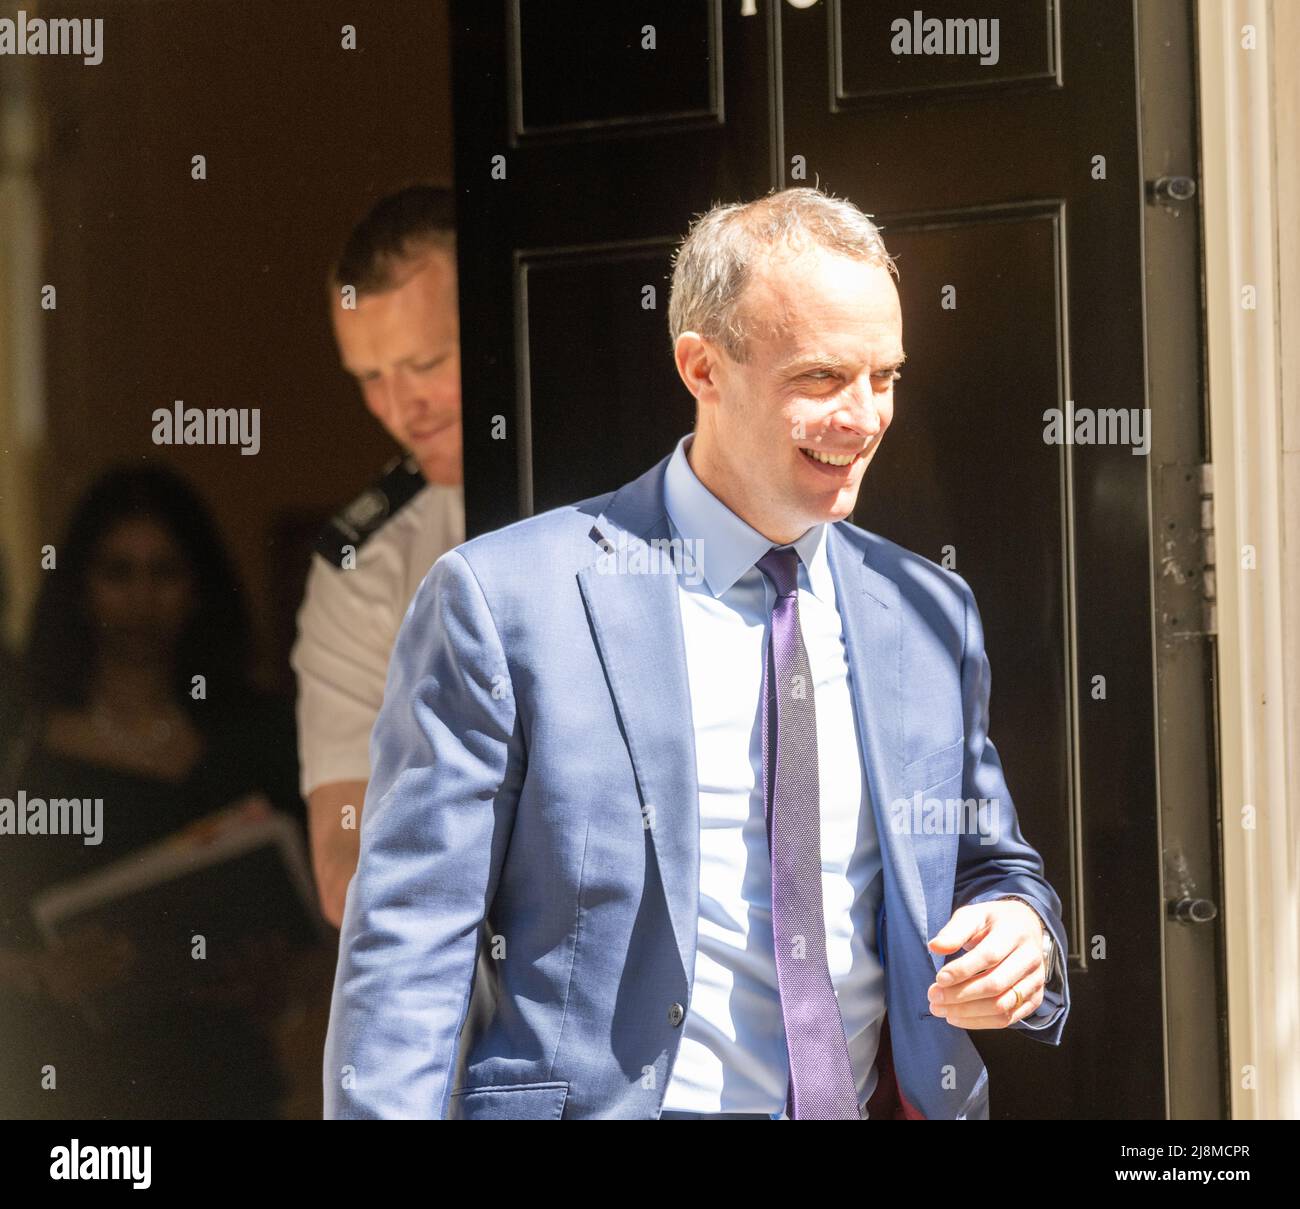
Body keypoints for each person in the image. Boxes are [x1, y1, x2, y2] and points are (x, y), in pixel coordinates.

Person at [323, 187, 1070, 1121]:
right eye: (821, 377)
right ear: (702, 366)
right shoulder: (504, 601)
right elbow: (410, 946)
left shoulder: (927, 612)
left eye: (886, 376)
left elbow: (987, 863)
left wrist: (1021, 931)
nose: (864, 415)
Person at [0, 465, 306, 1118]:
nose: (141, 600)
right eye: (118, 572)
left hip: (225, 1082)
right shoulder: (23, 744)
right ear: (81, 587)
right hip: (68, 1090)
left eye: (165, 572)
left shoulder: (254, 737)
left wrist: (278, 984)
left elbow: (320, 927)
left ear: (197, 588)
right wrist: (36, 975)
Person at [291, 185, 464, 929]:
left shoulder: (637, 492)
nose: (399, 409)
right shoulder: (361, 559)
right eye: (369, 376)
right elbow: (342, 861)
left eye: (424, 362)